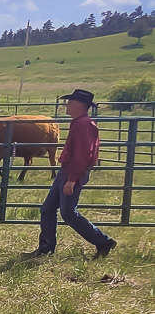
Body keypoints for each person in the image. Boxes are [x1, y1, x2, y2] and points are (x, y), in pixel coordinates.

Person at [31, 88, 115, 258]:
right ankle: (46, 248)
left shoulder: (84, 125)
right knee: (48, 209)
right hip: (67, 172)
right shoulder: (79, 123)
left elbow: (82, 154)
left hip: (72, 173)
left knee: (68, 213)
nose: (67, 105)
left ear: (80, 105)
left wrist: (72, 180)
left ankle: (103, 242)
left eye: (70, 102)